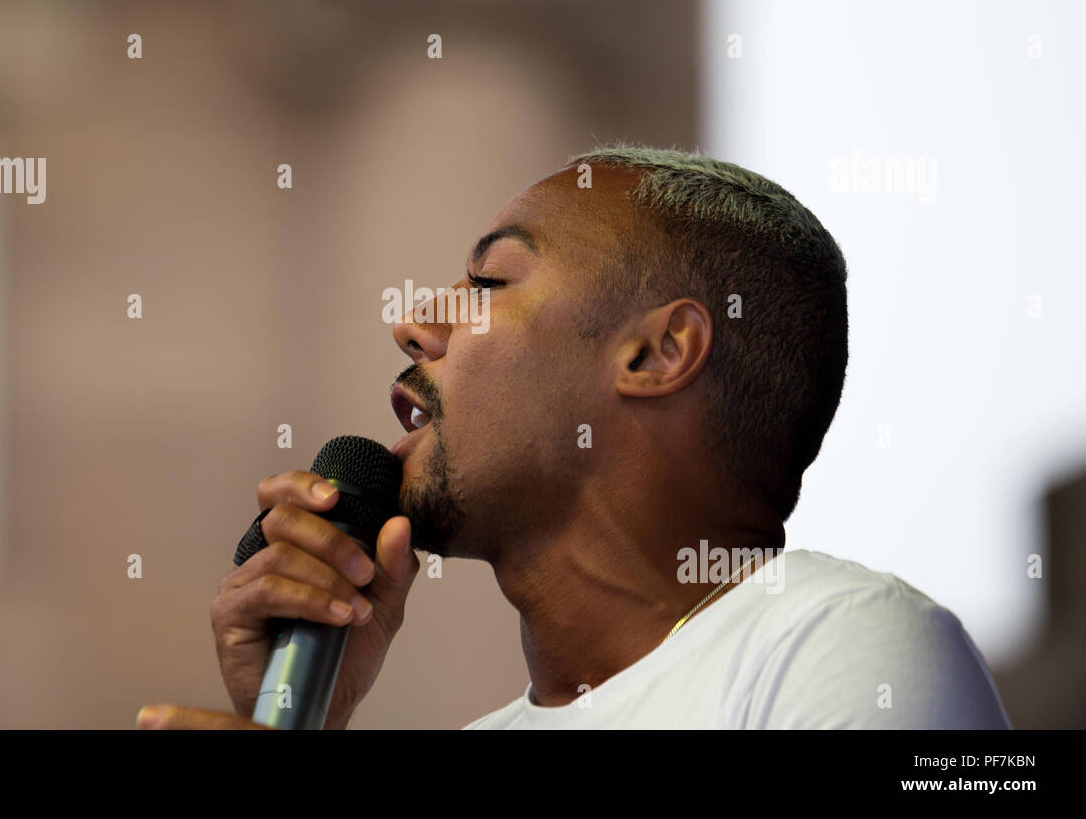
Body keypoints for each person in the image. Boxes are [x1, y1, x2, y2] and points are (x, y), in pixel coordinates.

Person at [137, 146, 1010, 730]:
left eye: (487, 281)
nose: (412, 325)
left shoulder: (857, 643)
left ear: (656, 353)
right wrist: (296, 709)